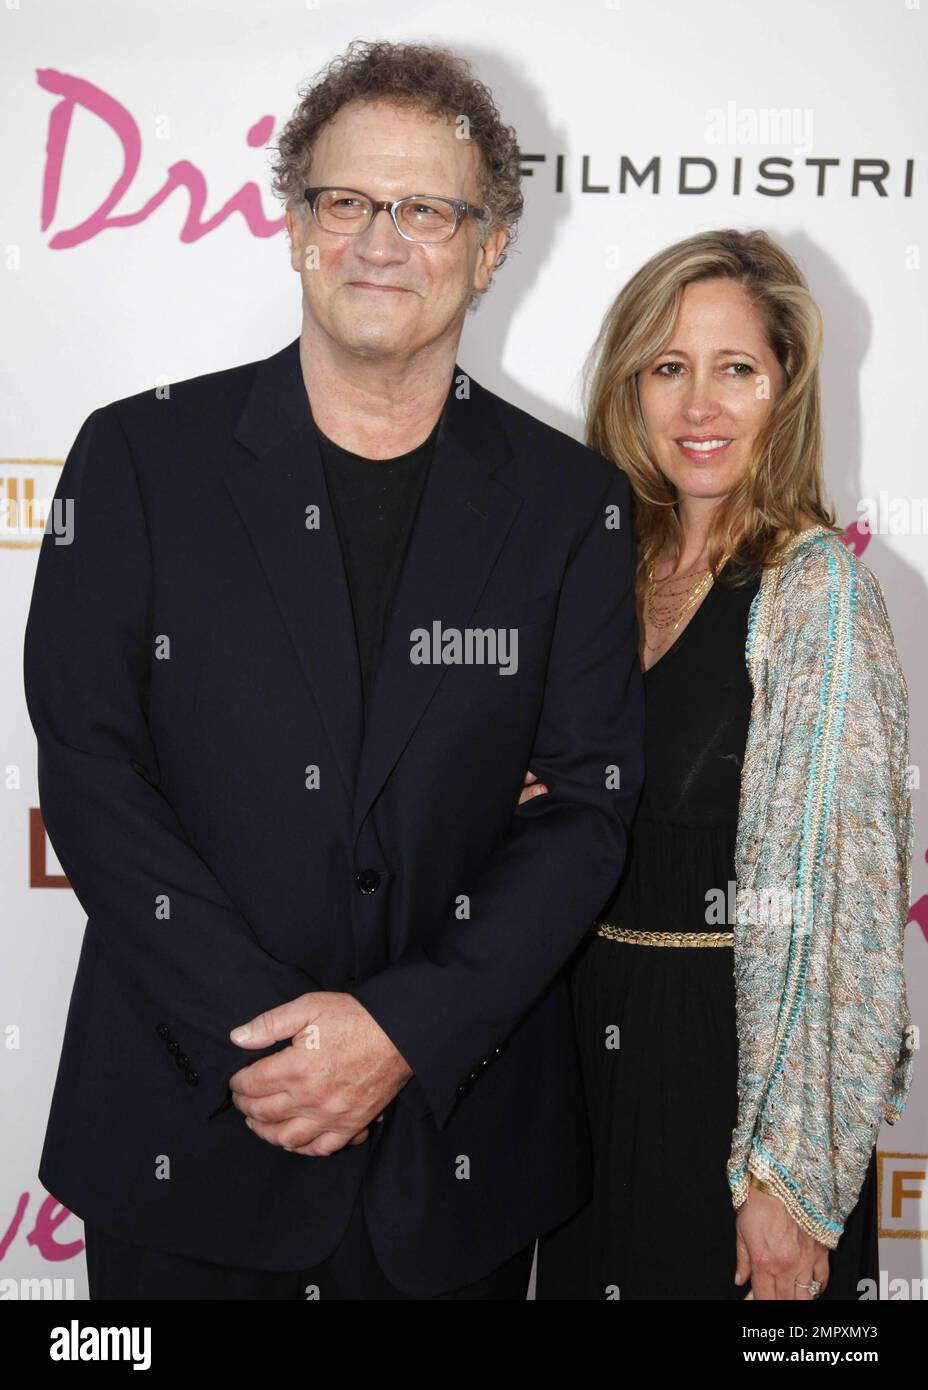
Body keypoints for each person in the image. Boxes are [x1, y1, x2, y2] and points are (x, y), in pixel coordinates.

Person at [24, 39, 645, 1300]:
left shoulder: (570, 503)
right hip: (187, 1125)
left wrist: (398, 1033)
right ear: (292, 222)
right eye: (345, 200)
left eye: (426, 210)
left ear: (490, 245)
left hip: (453, 1154)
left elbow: (584, 809)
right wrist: (286, 1038)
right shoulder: (140, 461)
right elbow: (93, 774)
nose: (379, 241)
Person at [533, 229, 916, 1300]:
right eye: (668, 368)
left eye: (734, 369)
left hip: (733, 1076)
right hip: (585, 1059)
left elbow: (843, 911)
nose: (698, 406)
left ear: (784, 388)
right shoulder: (600, 579)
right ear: (628, 387)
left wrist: (787, 1177)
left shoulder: (815, 596)